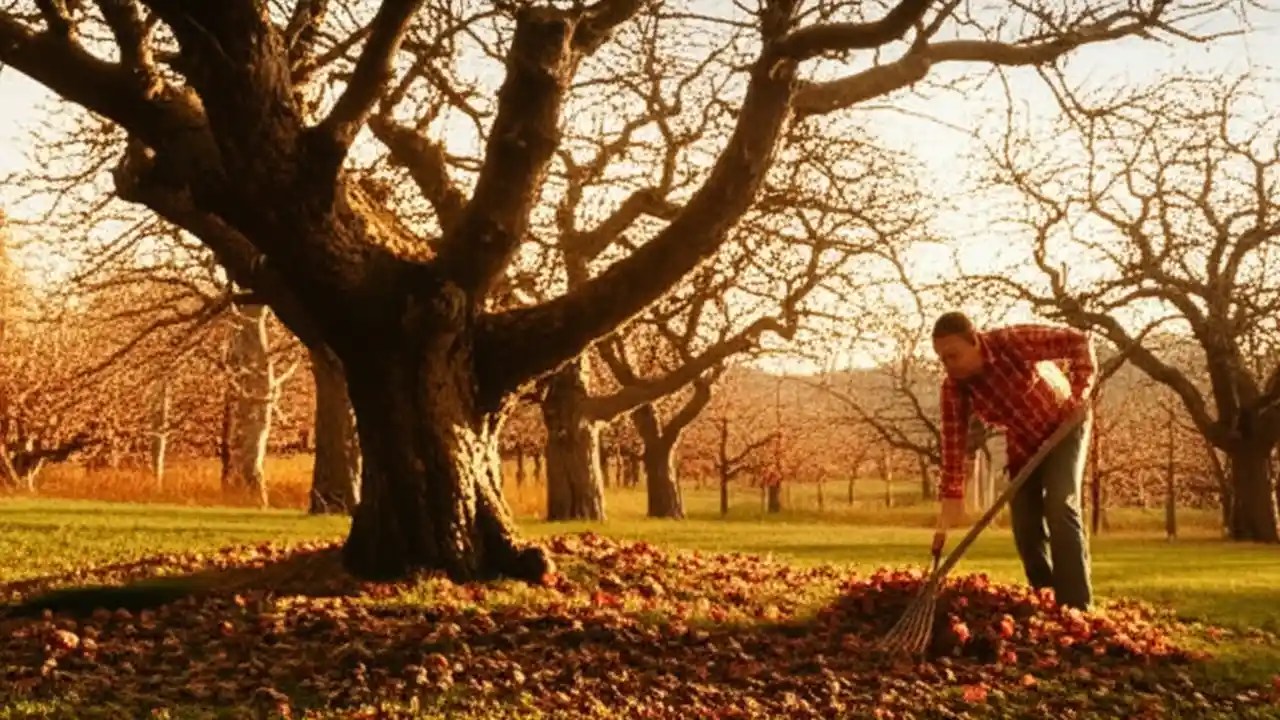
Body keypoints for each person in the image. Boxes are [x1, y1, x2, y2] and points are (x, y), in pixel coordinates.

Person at [930, 311, 1096, 610]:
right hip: (1023, 441)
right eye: (942, 359)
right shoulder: (954, 388)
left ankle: (1076, 606)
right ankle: (1044, 598)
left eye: (954, 355)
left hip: (1064, 424)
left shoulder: (1013, 342)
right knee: (1024, 521)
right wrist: (951, 498)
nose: (949, 365)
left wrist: (1080, 391)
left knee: (1060, 502)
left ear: (976, 341)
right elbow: (953, 445)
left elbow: (1078, 341)